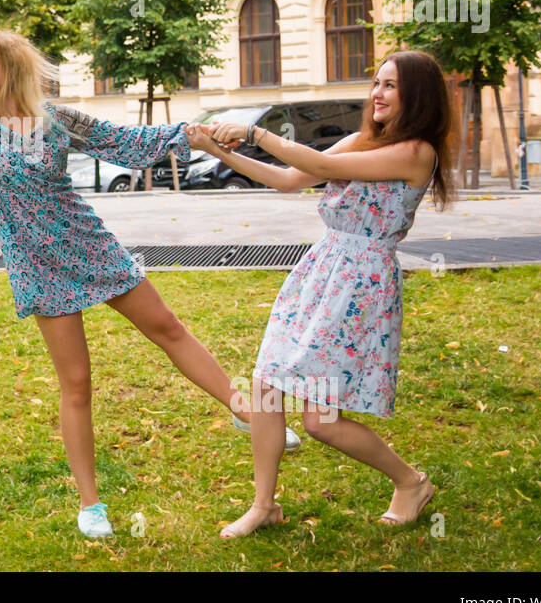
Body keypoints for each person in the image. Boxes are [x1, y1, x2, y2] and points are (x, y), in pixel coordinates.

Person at [0, 0, 300, 539]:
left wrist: (192, 132)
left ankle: (242, 409)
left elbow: (128, 143)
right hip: (37, 264)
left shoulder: (55, 120)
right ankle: (91, 505)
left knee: (169, 329)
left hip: (89, 244)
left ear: (12, 65)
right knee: (77, 383)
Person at [186, 50, 454, 539]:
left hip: (360, 287)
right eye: (376, 82)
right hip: (320, 270)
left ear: (418, 95)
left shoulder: (417, 153)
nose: (377, 92)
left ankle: (411, 482)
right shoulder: (362, 140)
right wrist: (214, 151)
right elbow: (291, 179)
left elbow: (314, 160)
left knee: (320, 421)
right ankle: (264, 505)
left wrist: (252, 132)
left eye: (391, 85)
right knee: (267, 381)